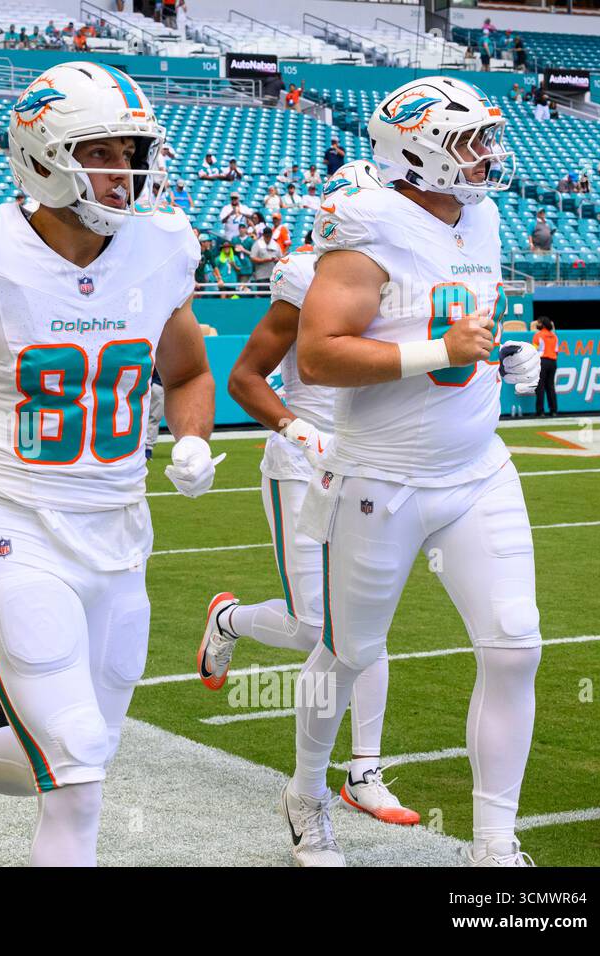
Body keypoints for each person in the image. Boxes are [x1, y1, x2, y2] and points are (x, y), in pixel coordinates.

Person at [0, 62, 221, 868]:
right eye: (104, 150)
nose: (128, 170)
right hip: (15, 525)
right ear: (43, 156)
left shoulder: (161, 247)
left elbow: (190, 371)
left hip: (123, 530)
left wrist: (192, 436)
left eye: (135, 148)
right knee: (78, 772)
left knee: (75, 754)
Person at [288, 76, 541, 868]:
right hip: (382, 477)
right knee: (347, 652)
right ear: (417, 150)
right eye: (468, 141)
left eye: (485, 139)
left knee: (516, 647)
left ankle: (494, 842)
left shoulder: (485, 214)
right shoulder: (367, 222)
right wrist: (441, 351)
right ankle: (306, 789)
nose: (485, 156)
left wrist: (511, 353)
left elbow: (473, 323)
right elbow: (320, 355)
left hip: (477, 468)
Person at [211, 161, 417, 829]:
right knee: (313, 627)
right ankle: (230, 620)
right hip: (305, 463)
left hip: (372, 463)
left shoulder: (410, 272)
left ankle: (364, 770)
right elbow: (244, 378)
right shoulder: (307, 274)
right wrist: (296, 428)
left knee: (366, 628)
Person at [532, 317, 559, 417]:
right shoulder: (554, 336)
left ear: (542, 324)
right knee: (550, 387)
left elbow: (534, 350)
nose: (537, 324)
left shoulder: (538, 335)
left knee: (540, 387)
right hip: (553, 362)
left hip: (542, 362)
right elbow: (556, 351)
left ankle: (540, 411)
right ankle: (554, 411)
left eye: (538, 323)